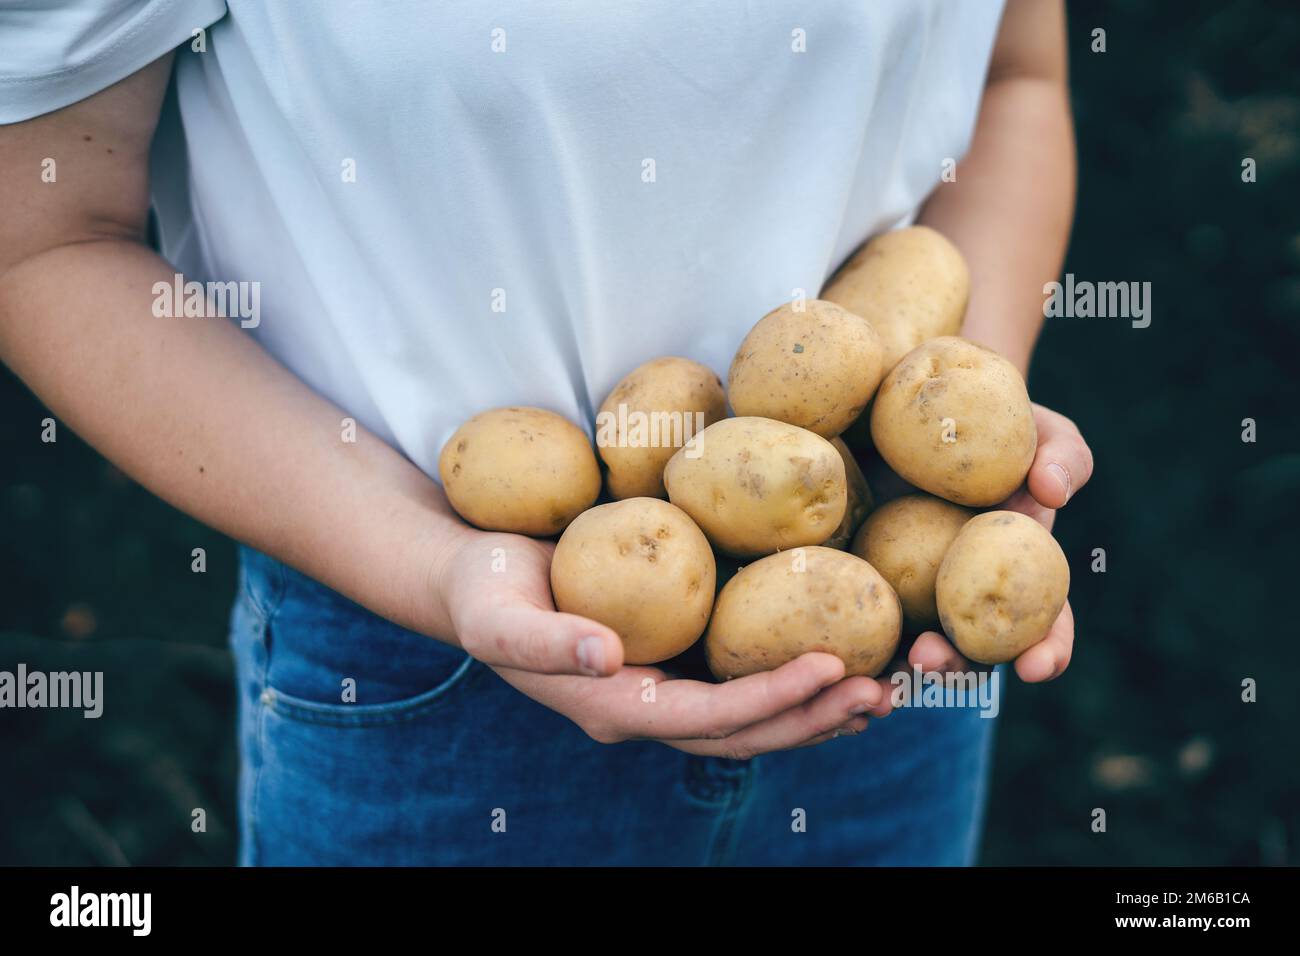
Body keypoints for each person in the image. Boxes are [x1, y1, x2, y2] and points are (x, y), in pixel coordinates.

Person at [0, 0, 1092, 865]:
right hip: (422, 656)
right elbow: (41, 237)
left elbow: (1017, 82)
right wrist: (434, 567)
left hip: (885, 643)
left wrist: (962, 449)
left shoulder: (921, 563)